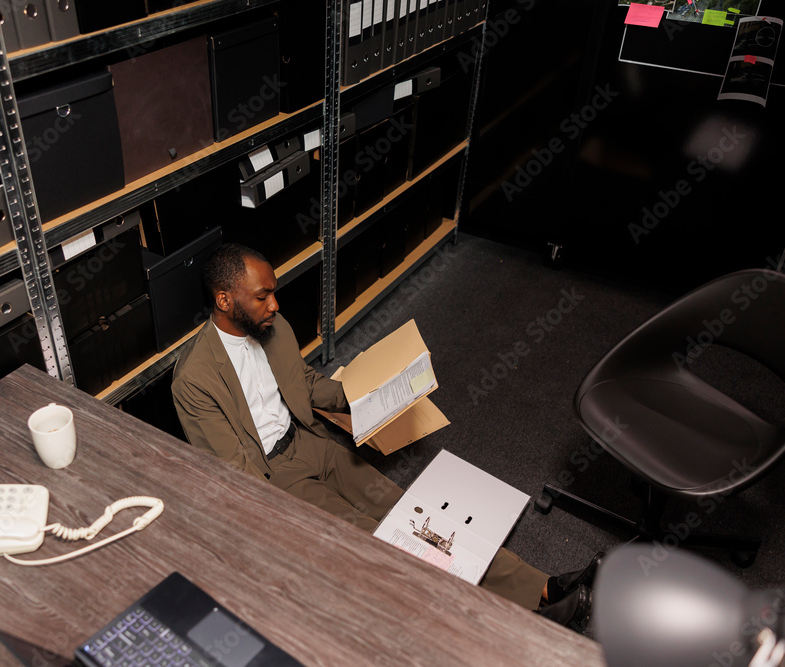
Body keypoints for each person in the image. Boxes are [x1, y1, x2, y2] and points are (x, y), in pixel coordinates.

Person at [171, 243, 596, 631]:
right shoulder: (194, 379)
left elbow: (303, 382)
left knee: (412, 512)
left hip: (309, 442)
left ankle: (546, 588)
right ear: (224, 300)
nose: (275, 304)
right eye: (262, 295)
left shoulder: (273, 327)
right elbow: (233, 471)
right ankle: (518, 623)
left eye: (274, 292)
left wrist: (368, 397)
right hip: (270, 475)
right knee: (376, 536)